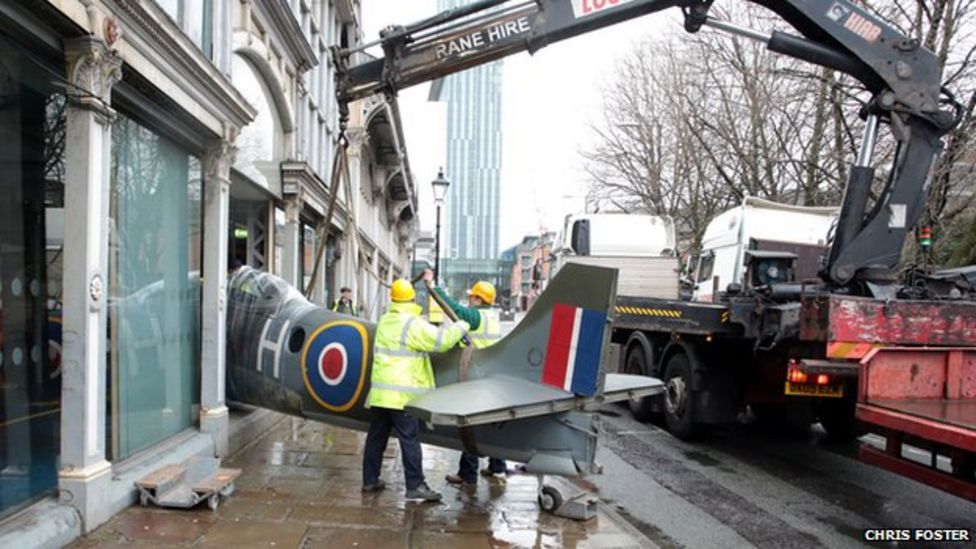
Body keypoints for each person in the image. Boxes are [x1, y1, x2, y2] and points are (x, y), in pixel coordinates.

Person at [362, 278, 470, 502]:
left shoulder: (385, 321)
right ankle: (415, 485)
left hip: (381, 393)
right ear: (412, 298)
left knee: (376, 438)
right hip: (402, 396)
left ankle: (369, 480)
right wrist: (461, 326)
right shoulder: (412, 324)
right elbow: (441, 341)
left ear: (393, 298)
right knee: (409, 440)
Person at [422, 269, 507, 485]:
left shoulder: (477, 316)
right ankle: (498, 467)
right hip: (490, 375)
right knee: (490, 421)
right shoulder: (492, 316)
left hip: (477, 376)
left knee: (470, 425)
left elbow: (454, 309)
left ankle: (467, 473)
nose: (469, 300)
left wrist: (433, 286)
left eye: (472, 296)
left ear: (480, 299)